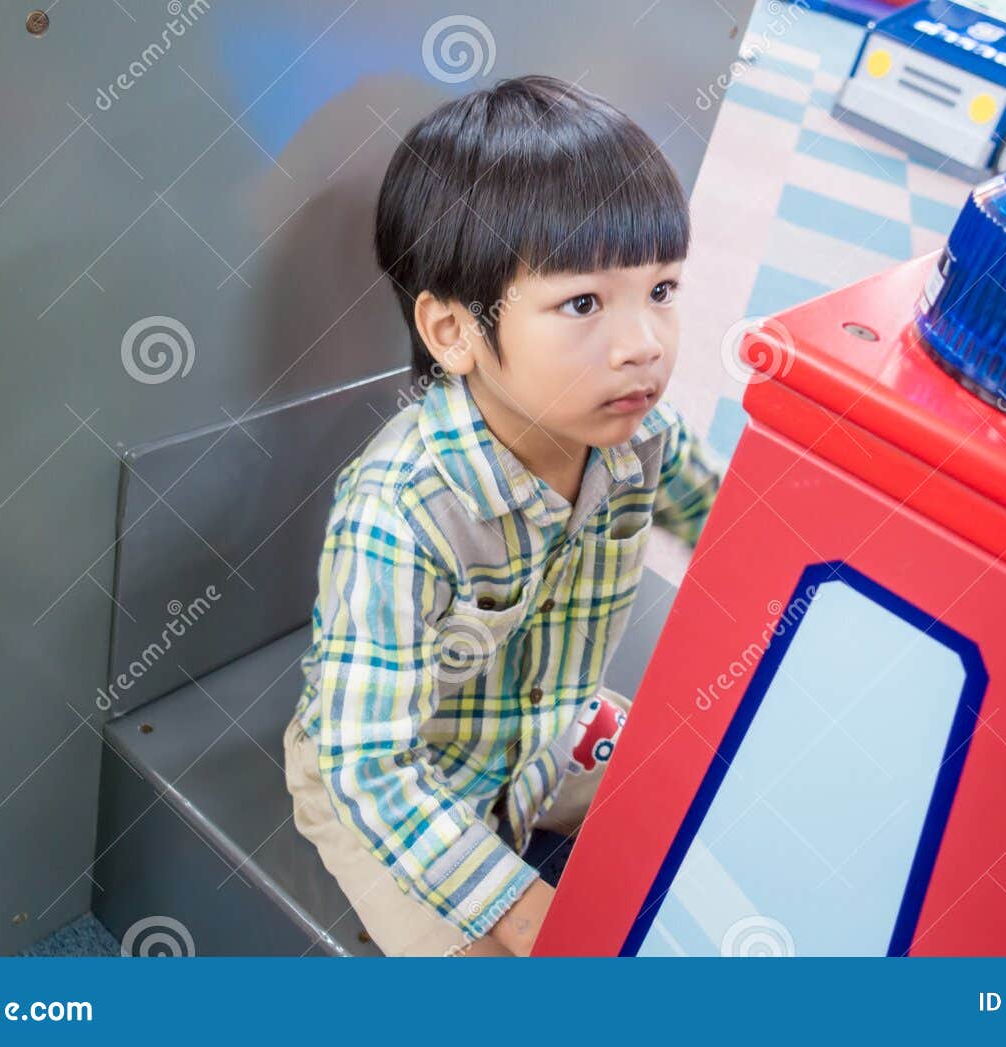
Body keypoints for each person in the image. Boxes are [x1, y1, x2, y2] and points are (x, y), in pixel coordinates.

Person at [283, 74, 724, 956]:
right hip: (394, 785)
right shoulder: (400, 510)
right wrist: (529, 914)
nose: (644, 342)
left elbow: (732, 525)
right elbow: (369, 766)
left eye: (663, 290)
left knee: (698, 788)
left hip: (545, 731)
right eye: (585, 303)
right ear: (453, 332)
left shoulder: (642, 438)